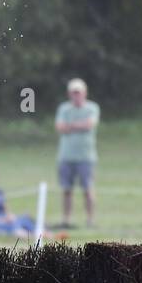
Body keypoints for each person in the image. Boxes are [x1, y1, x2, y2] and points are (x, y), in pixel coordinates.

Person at [53, 78, 99, 229]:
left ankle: (90, 219)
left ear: (84, 93)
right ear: (69, 94)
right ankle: (66, 219)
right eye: (73, 93)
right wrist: (79, 125)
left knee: (88, 189)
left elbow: (89, 124)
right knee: (66, 189)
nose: (76, 96)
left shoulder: (92, 107)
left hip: (86, 157)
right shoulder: (64, 109)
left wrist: (70, 126)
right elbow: (60, 127)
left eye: (78, 93)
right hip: (66, 156)